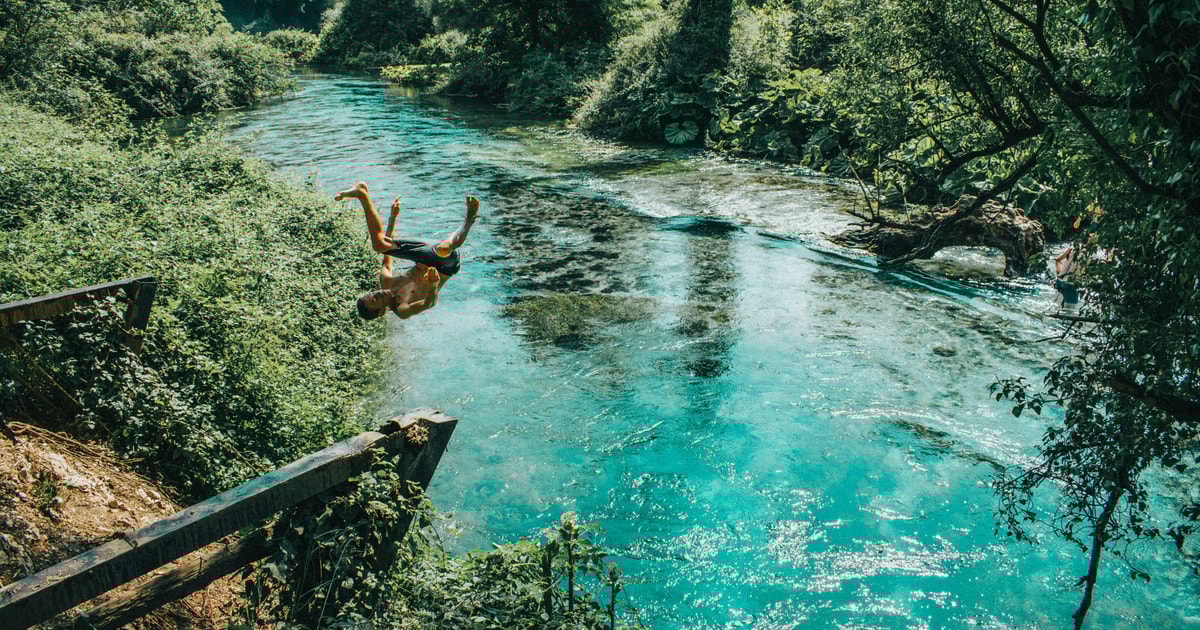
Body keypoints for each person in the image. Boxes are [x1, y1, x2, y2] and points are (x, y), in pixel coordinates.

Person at [335, 182, 478, 320]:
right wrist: (432, 285)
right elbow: (429, 304)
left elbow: (388, 253)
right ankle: (469, 220)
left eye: (372, 293)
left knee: (379, 246)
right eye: (375, 300)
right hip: (445, 268)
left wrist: (392, 218)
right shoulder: (401, 309)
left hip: (424, 258)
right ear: (381, 312)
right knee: (444, 249)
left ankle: (362, 193)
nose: (377, 294)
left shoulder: (386, 281)